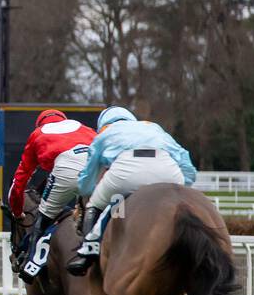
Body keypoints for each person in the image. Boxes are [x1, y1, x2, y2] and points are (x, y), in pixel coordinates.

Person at [66, 106, 197, 275]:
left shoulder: (105, 133)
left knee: (94, 204)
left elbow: (89, 174)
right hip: (167, 169)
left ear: (103, 124)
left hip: (126, 170)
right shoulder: (153, 127)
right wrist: (183, 186)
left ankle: (87, 252)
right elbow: (184, 158)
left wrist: (87, 190)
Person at [6, 109, 97, 272]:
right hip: (96, 170)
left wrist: (18, 211)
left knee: (43, 219)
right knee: (103, 213)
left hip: (66, 168)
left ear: (39, 124)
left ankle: (30, 265)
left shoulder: (37, 134)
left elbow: (19, 181)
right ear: (64, 119)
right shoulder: (84, 128)